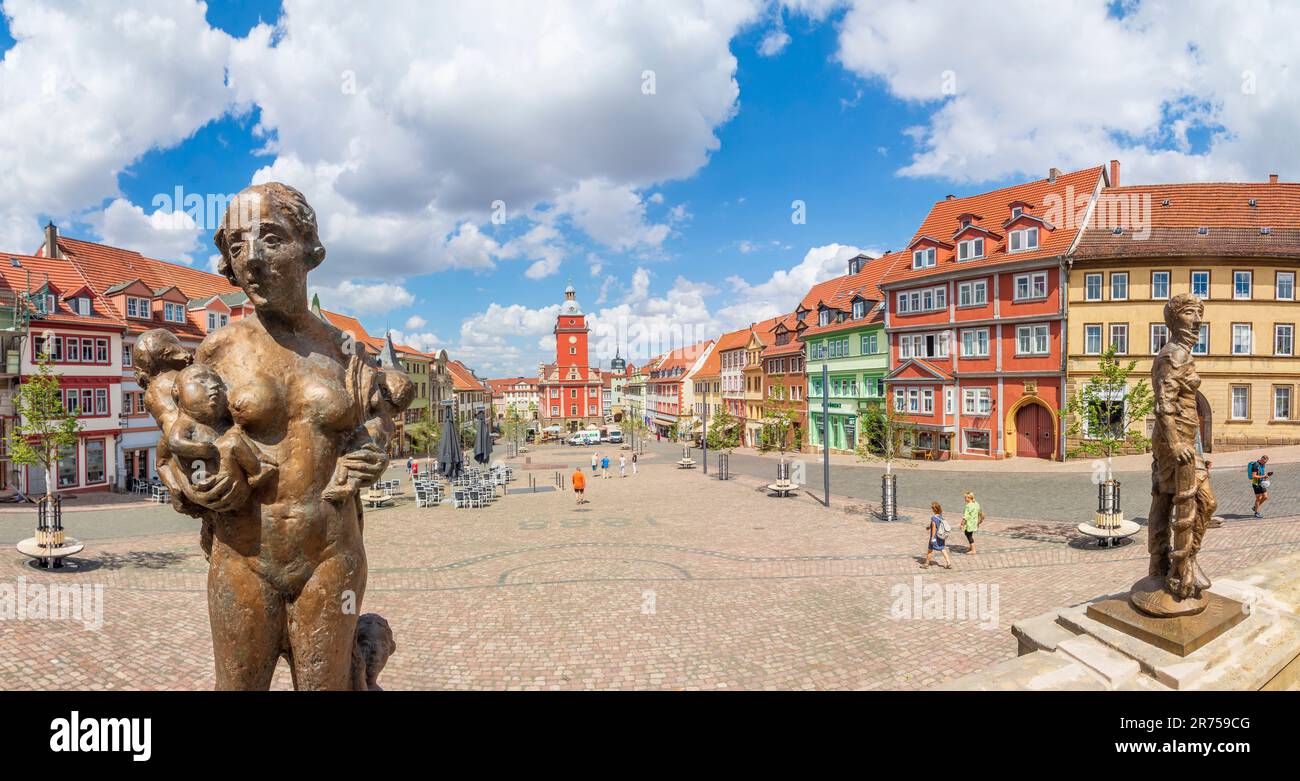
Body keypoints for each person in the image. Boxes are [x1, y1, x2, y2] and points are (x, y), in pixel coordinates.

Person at [924, 501, 952, 569]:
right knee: (942, 548)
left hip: (935, 536)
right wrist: (929, 527)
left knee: (930, 550)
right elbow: (937, 525)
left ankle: (926, 564)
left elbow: (934, 529)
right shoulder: (940, 516)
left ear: (934, 509)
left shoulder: (933, 518)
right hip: (941, 535)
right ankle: (948, 562)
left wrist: (932, 538)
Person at [1248, 454, 1273, 519]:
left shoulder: (1263, 465)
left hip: (1261, 483)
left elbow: (1262, 473)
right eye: (1264, 462)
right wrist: (1263, 476)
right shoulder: (1255, 466)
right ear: (1261, 459)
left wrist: (1266, 476)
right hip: (1256, 484)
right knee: (1258, 498)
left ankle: (1255, 507)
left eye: (1266, 462)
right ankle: (1256, 513)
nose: (1265, 463)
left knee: (1265, 497)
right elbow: (1254, 476)